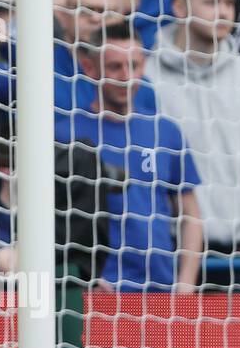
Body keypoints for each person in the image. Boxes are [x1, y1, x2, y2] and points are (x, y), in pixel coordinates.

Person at [144, 0, 240, 281]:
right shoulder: (147, 78)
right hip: (168, 254)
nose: (223, 12)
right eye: (211, 2)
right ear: (180, 7)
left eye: (228, 3)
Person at [58, 22, 205, 291]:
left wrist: (185, 282)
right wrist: (85, 275)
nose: (126, 76)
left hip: (160, 288)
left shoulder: (166, 131)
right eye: (115, 67)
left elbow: (190, 213)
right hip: (96, 289)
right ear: (90, 69)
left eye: (134, 66)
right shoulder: (64, 134)